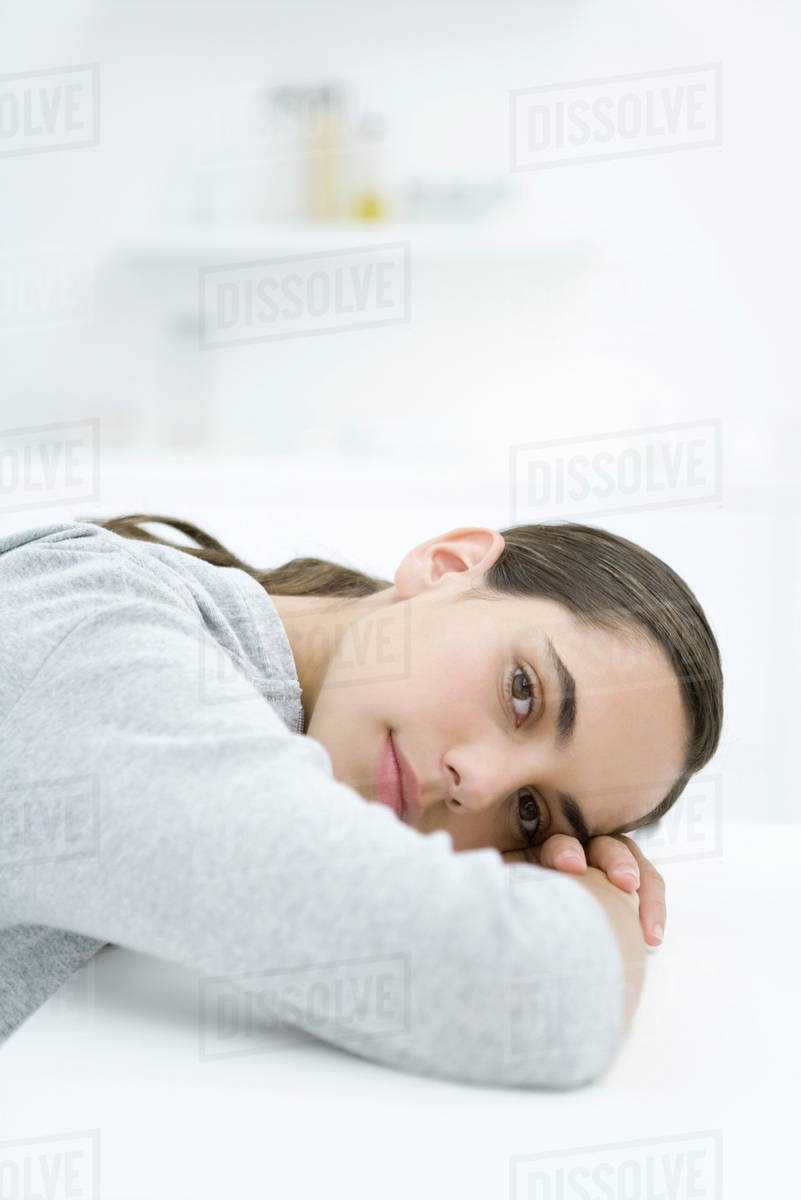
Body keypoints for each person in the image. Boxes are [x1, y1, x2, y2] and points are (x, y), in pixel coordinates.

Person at [0, 514, 722, 1088]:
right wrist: (601, 903)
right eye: (523, 693)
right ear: (446, 567)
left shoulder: (254, 714)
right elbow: (546, 990)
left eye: (529, 812)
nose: (479, 784)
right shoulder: (91, 632)